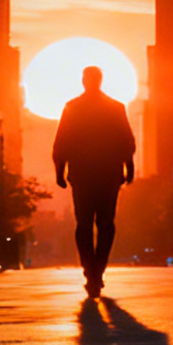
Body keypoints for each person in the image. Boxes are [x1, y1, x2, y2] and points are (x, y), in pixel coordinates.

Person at [51, 64, 136, 296]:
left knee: (88, 224)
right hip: (105, 174)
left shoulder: (74, 107)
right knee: (102, 224)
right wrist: (129, 168)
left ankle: (93, 271)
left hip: (86, 174)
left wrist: (60, 171)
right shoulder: (114, 107)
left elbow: (61, 142)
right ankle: (95, 270)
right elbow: (127, 141)